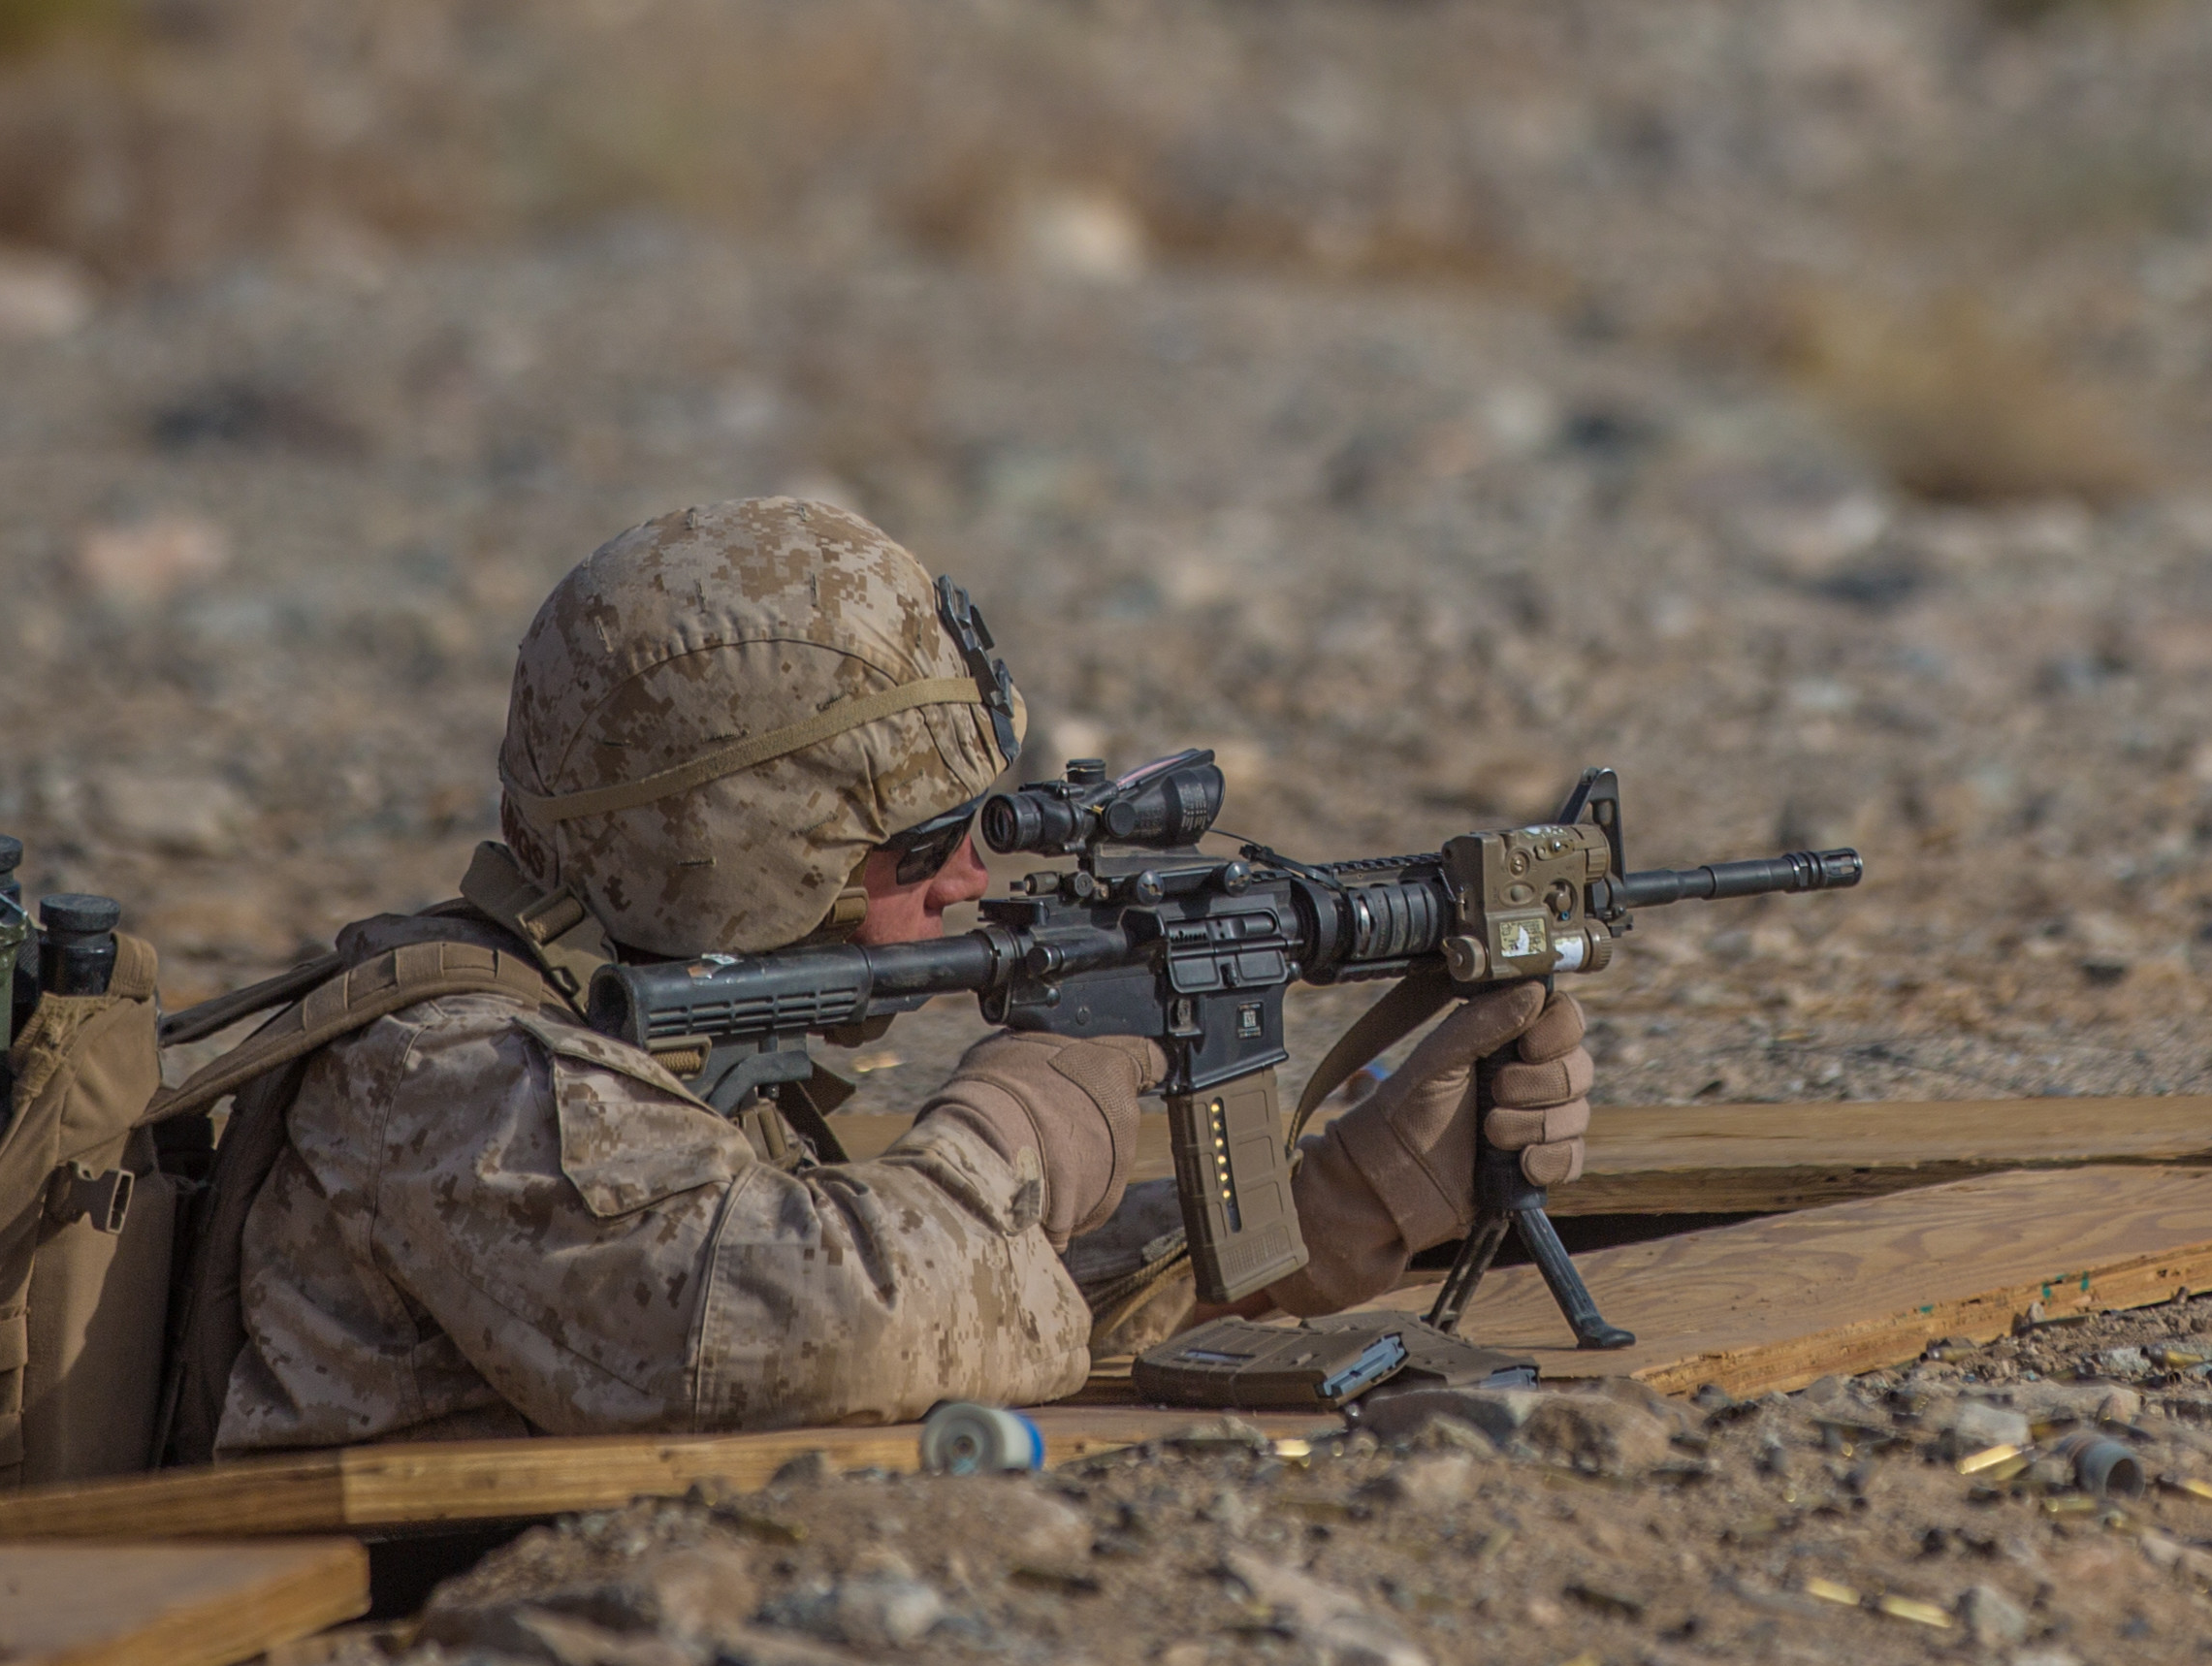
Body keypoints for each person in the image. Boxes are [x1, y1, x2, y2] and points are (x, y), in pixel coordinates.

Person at [199, 498, 1591, 1452]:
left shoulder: (634, 1038)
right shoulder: (459, 1075)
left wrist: (1351, 1198)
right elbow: (826, 1334)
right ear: (740, 856)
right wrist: (1018, 1124)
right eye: (919, 841)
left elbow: (949, 1298)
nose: (971, 880)